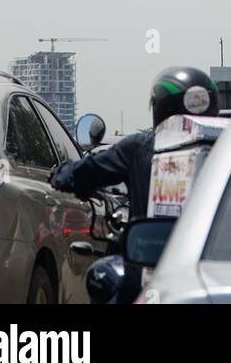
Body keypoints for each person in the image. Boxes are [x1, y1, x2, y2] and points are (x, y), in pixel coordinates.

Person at [52, 66, 220, 302]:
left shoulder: (142, 147)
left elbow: (83, 173)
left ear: (160, 107)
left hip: (147, 273)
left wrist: (62, 174)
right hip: (217, 272)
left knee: (104, 278)